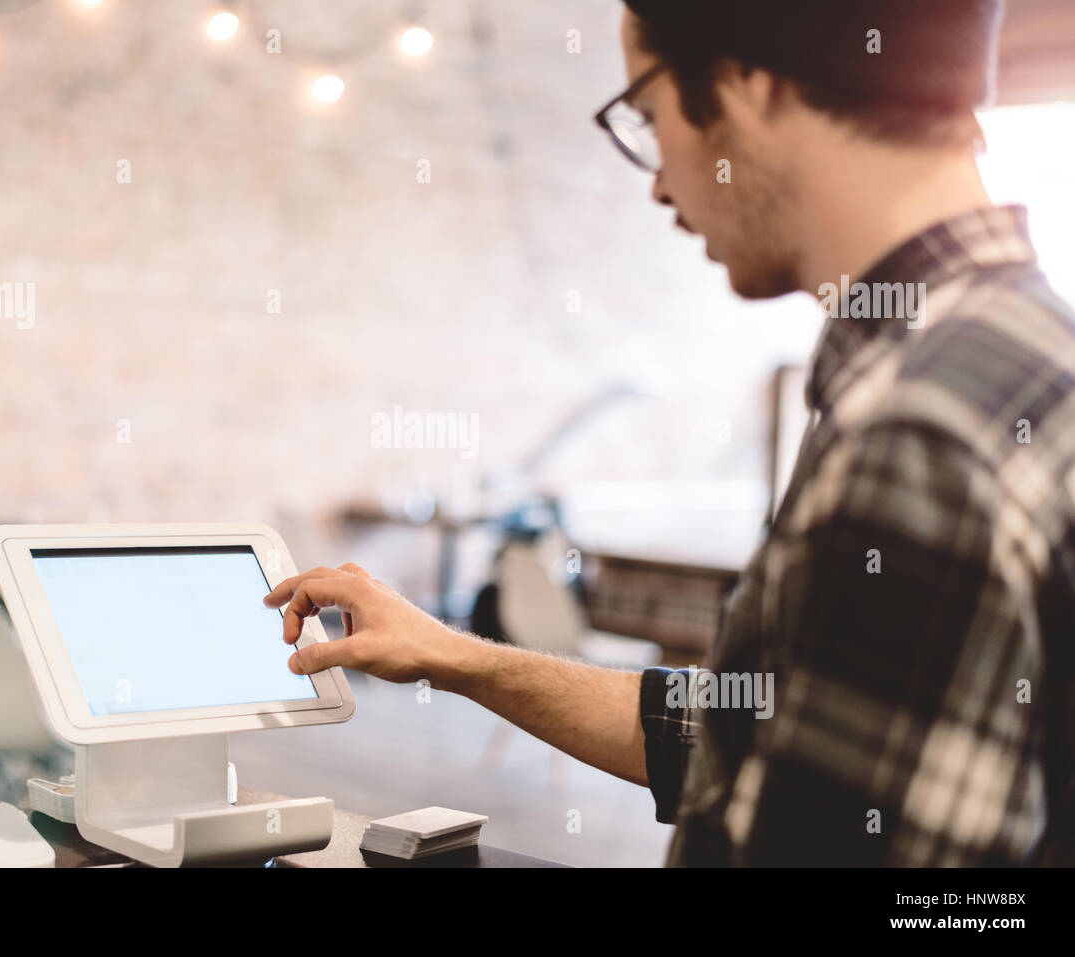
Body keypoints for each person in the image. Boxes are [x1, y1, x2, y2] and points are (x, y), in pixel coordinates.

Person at [262, 0, 1074, 865]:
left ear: (746, 83)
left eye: (646, 115)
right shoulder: (1022, 354)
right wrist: (455, 656)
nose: (655, 183)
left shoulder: (910, 436)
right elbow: (754, 735)